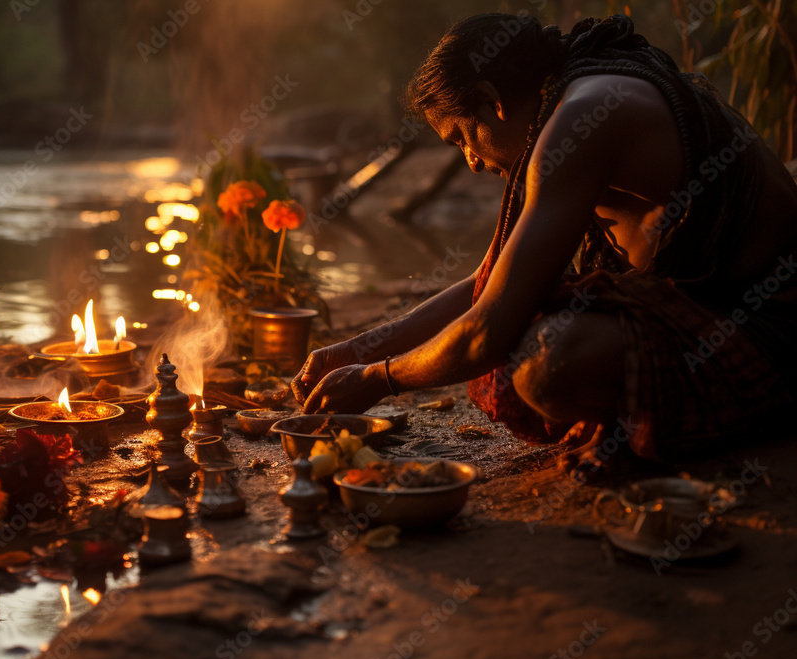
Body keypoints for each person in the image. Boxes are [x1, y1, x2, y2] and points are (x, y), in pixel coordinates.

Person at [292, 13, 797, 480]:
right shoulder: (577, 98)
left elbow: (484, 333)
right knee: (531, 333)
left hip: (771, 331)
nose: (470, 161)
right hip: (714, 314)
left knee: (546, 362)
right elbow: (489, 284)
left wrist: (378, 378)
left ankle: (704, 424)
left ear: (493, 100)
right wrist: (355, 350)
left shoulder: (581, 121)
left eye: (463, 136)